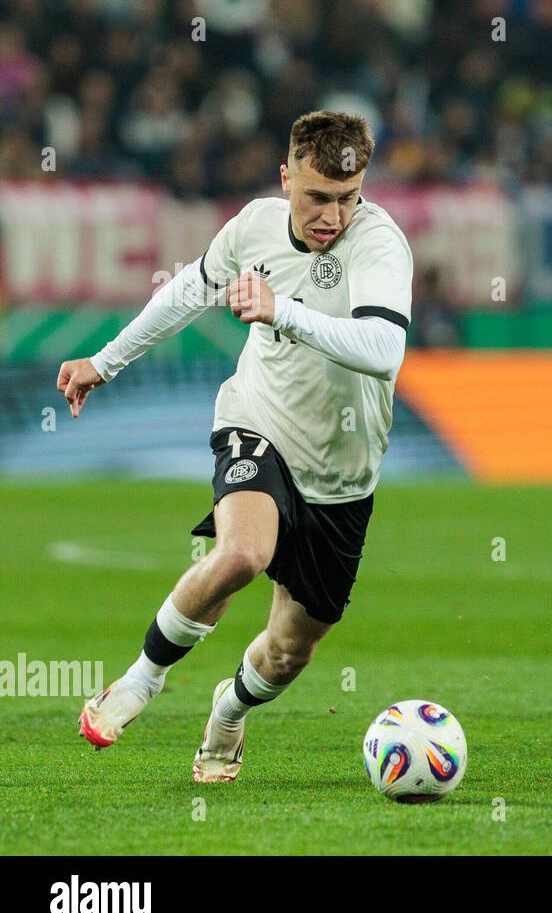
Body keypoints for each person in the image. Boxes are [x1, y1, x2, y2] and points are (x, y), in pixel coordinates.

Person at [57, 111, 414, 783]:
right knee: (244, 553)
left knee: (288, 652)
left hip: (343, 472)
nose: (333, 215)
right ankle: (141, 679)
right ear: (286, 179)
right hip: (259, 419)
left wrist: (283, 311)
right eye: (316, 197)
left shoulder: (381, 246)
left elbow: (384, 348)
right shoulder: (252, 227)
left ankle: (227, 712)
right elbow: (189, 293)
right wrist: (104, 363)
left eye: (348, 197)